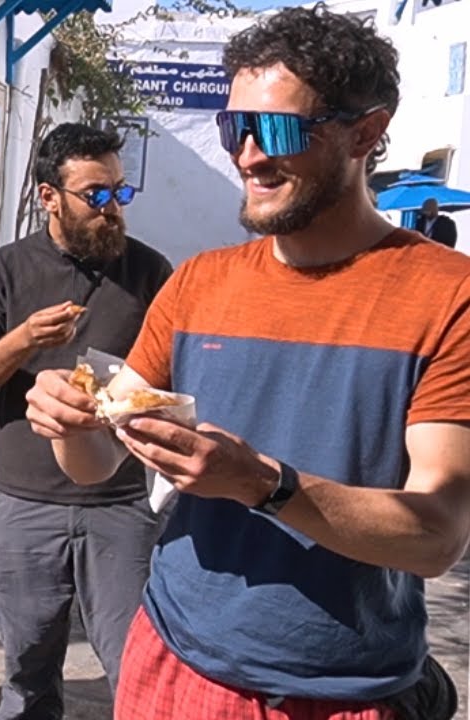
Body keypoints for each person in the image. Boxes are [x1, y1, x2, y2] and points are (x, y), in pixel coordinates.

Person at [25, 7, 466, 719]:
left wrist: (263, 484)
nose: (249, 155)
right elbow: (97, 463)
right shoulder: (199, 282)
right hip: (167, 661)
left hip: (339, 694)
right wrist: (71, 420)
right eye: (237, 127)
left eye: (281, 129)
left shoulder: (449, 295)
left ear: (367, 133)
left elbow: (437, 535)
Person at [0, 123, 171, 720]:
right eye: (96, 195)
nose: (112, 208)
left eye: (119, 193)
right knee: (25, 678)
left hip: (121, 509)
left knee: (139, 673)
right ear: (50, 197)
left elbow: (175, 384)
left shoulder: (152, 274)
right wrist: (22, 340)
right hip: (24, 507)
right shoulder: (7, 269)